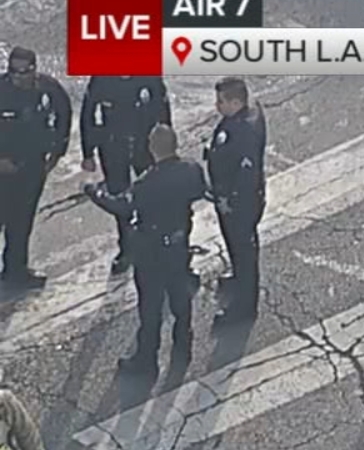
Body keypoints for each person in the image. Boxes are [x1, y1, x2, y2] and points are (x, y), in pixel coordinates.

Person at [83, 123, 209, 376]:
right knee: (180, 296)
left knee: (150, 308)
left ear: (152, 149)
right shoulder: (191, 169)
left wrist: (94, 192)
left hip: (151, 252)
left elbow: (122, 206)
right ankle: (183, 344)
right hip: (178, 244)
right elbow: (199, 191)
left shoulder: (146, 184)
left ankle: (146, 361)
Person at [80, 76, 172, 274]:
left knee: (153, 197)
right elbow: (87, 115)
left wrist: (167, 151)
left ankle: (156, 243)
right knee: (119, 198)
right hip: (113, 146)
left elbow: (164, 113)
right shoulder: (101, 79)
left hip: (145, 146)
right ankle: (127, 250)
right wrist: (88, 153)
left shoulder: (150, 75)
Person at [0, 47, 71, 290]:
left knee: (22, 221)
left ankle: (15, 269)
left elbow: (64, 113)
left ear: (33, 69)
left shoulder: (47, 88)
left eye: (23, 72)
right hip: (2, 168)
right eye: (13, 72)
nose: (17, 77)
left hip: (33, 165)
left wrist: (57, 153)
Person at [205, 77, 267, 324]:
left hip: (239, 204)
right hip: (231, 199)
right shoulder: (240, 119)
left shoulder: (244, 131)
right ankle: (239, 279)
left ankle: (243, 307)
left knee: (244, 251)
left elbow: (246, 175)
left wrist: (230, 201)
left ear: (236, 102)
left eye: (221, 101)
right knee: (237, 248)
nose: (217, 105)